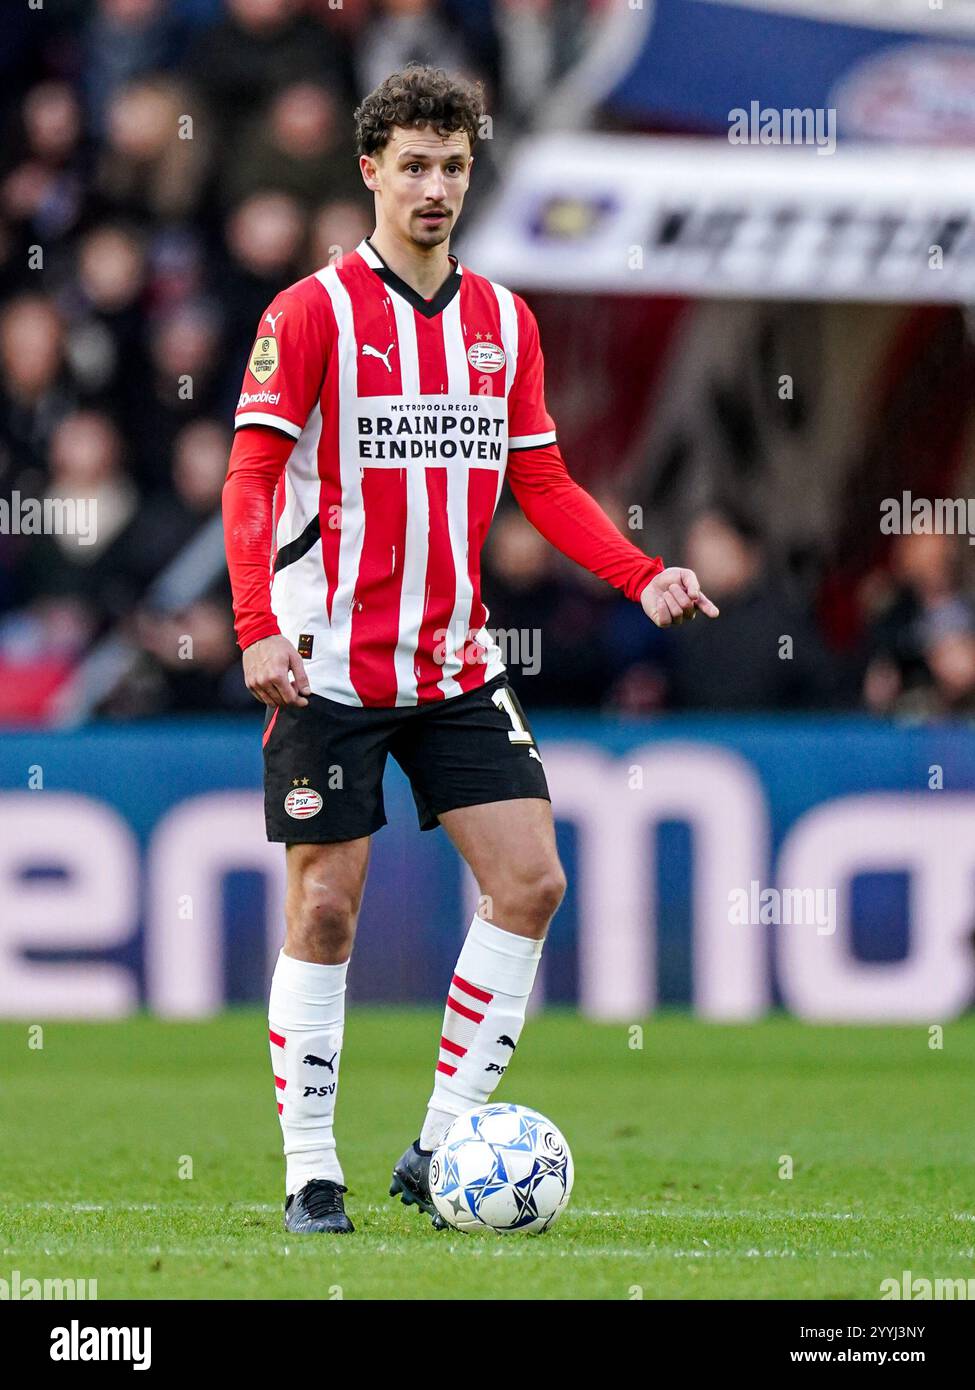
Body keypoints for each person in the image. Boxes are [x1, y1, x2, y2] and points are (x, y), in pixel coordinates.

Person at [221, 63, 718, 1235]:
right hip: (325, 664)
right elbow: (249, 477)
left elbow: (537, 477)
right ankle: (309, 1173)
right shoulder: (310, 315)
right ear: (371, 172)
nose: (435, 188)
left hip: (455, 664)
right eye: (415, 167)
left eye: (453, 166)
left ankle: (442, 1144)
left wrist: (641, 573)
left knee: (533, 881)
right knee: (328, 910)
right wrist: (253, 628)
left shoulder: (503, 321)